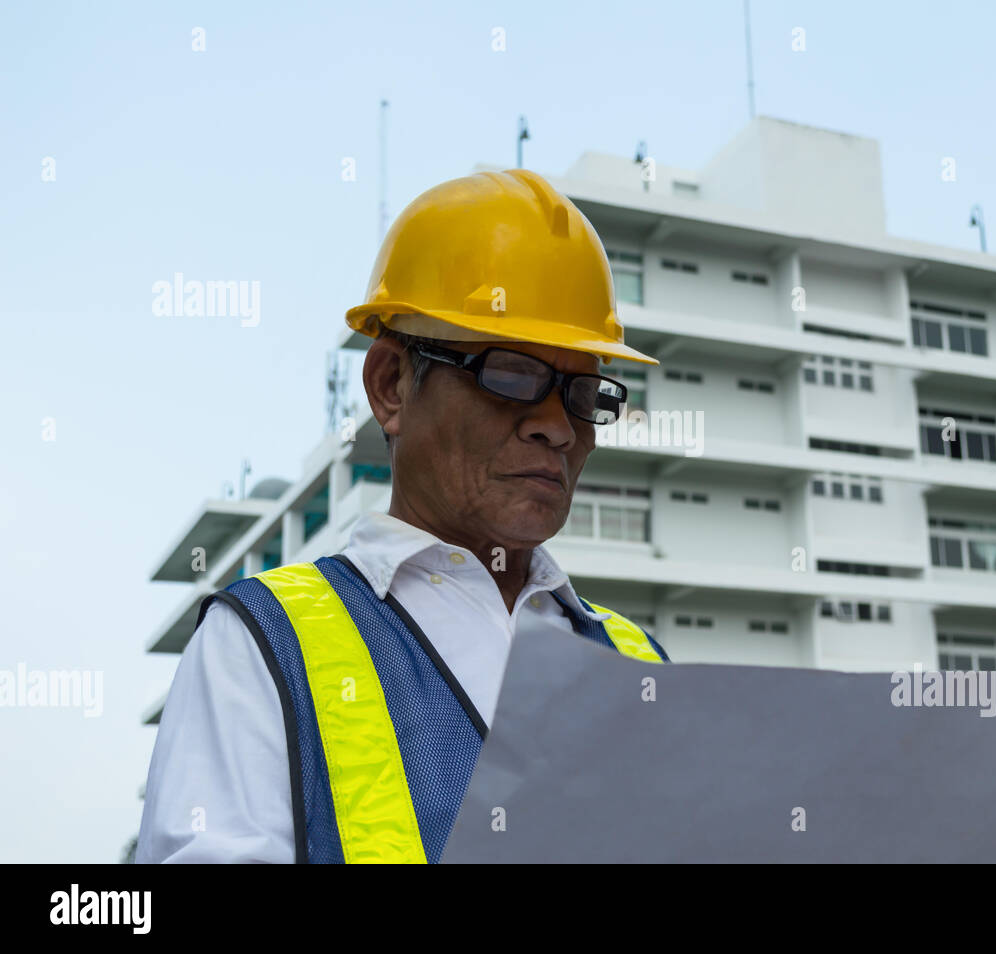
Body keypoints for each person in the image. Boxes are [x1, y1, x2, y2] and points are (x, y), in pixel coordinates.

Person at [137, 168, 668, 863]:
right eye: (512, 374)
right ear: (391, 386)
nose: (558, 428)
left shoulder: (638, 659)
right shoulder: (262, 646)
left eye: (582, 392)